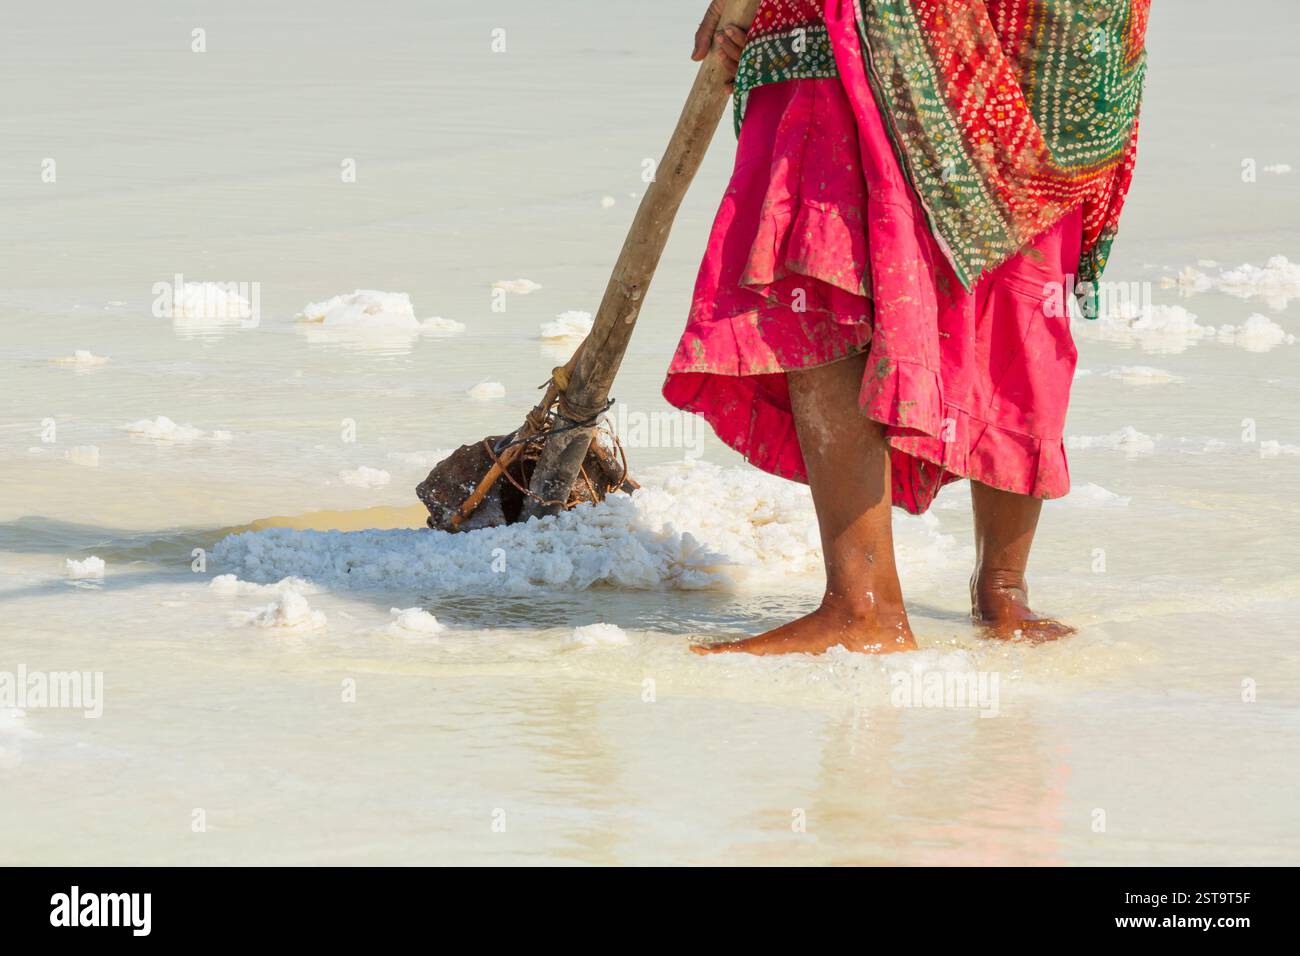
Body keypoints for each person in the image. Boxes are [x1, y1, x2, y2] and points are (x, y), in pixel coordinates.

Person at [663, 0, 1150, 655]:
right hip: (1061, 30)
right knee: (1021, 259)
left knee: (827, 226)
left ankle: (864, 607)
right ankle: (1004, 597)